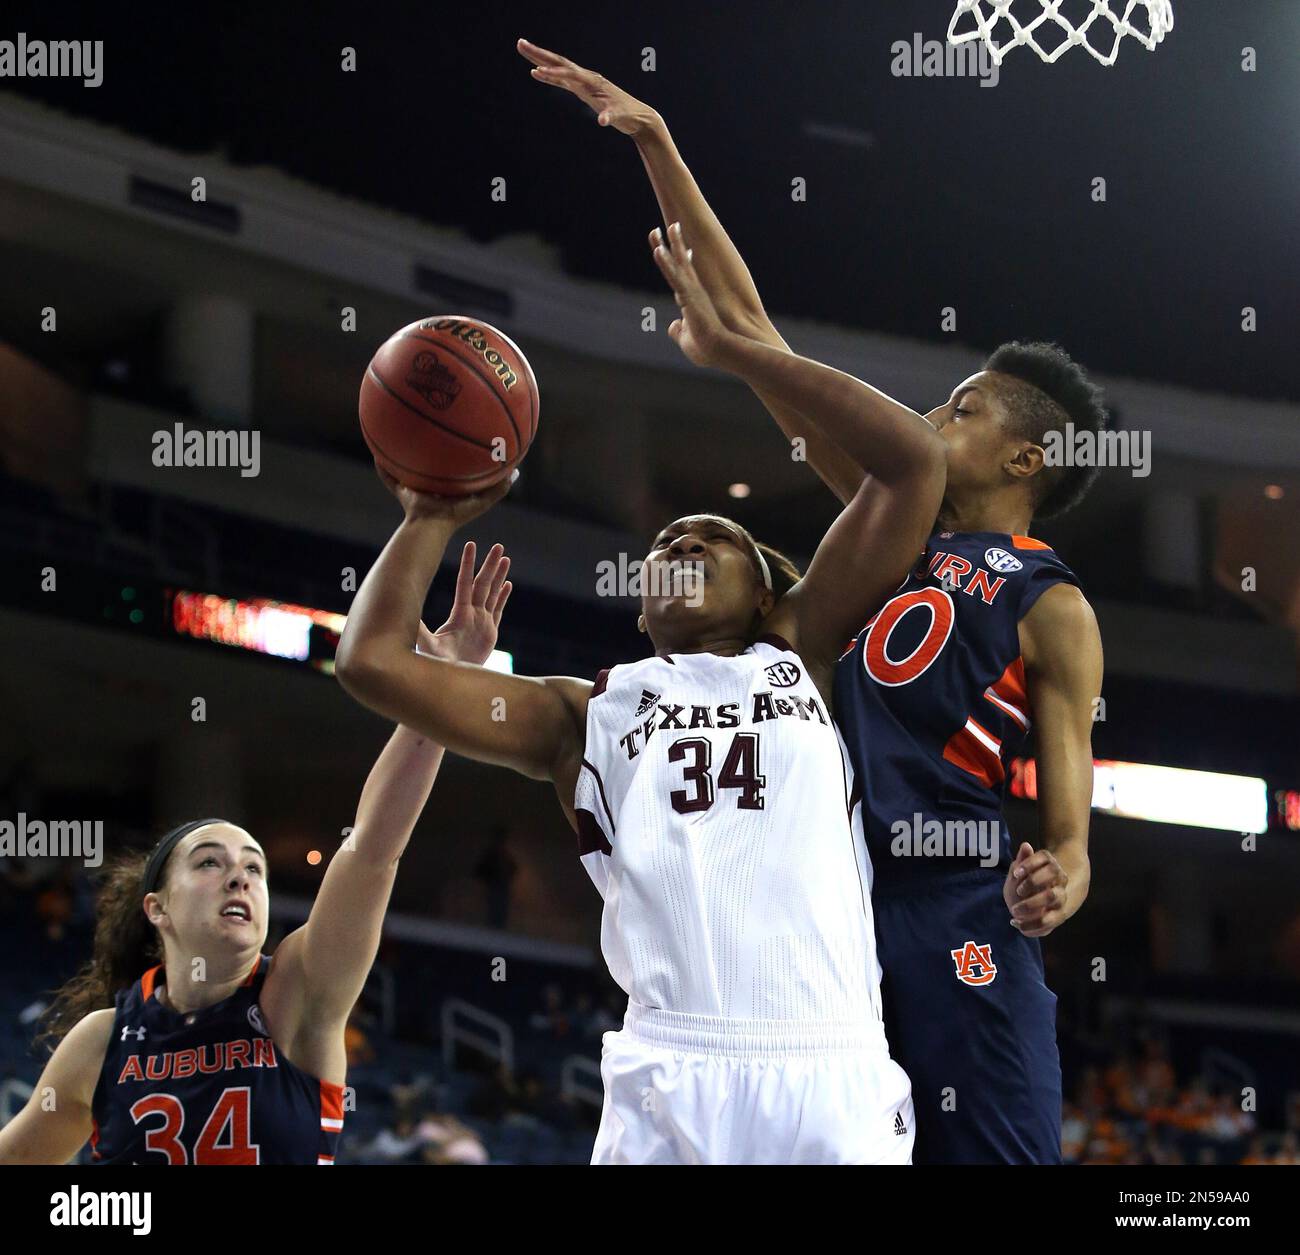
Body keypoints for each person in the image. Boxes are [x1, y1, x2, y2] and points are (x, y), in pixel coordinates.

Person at [518, 38, 1105, 1164]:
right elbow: (760, 340)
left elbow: (1072, 827)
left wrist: (1059, 878)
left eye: (966, 407)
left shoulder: (1050, 601)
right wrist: (657, 142)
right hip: (830, 921)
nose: (938, 415)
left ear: (1026, 456)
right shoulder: (893, 535)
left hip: (956, 912)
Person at [335, 223, 946, 1164]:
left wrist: (740, 352)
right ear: (639, 607)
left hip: (830, 1064)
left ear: (768, 589)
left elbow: (913, 464)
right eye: (666, 544)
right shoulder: (582, 714)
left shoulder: (807, 648)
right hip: (672, 1072)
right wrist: (427, 515)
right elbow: (369, 662)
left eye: (713, 537)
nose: (682, 545)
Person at [0, 543, 511, 1165]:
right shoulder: (103, 1041)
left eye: (254, 868)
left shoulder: (296, 991)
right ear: (157, 908)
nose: (238, 877)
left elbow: (373, 849)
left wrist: (436, 698)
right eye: (210, 862)